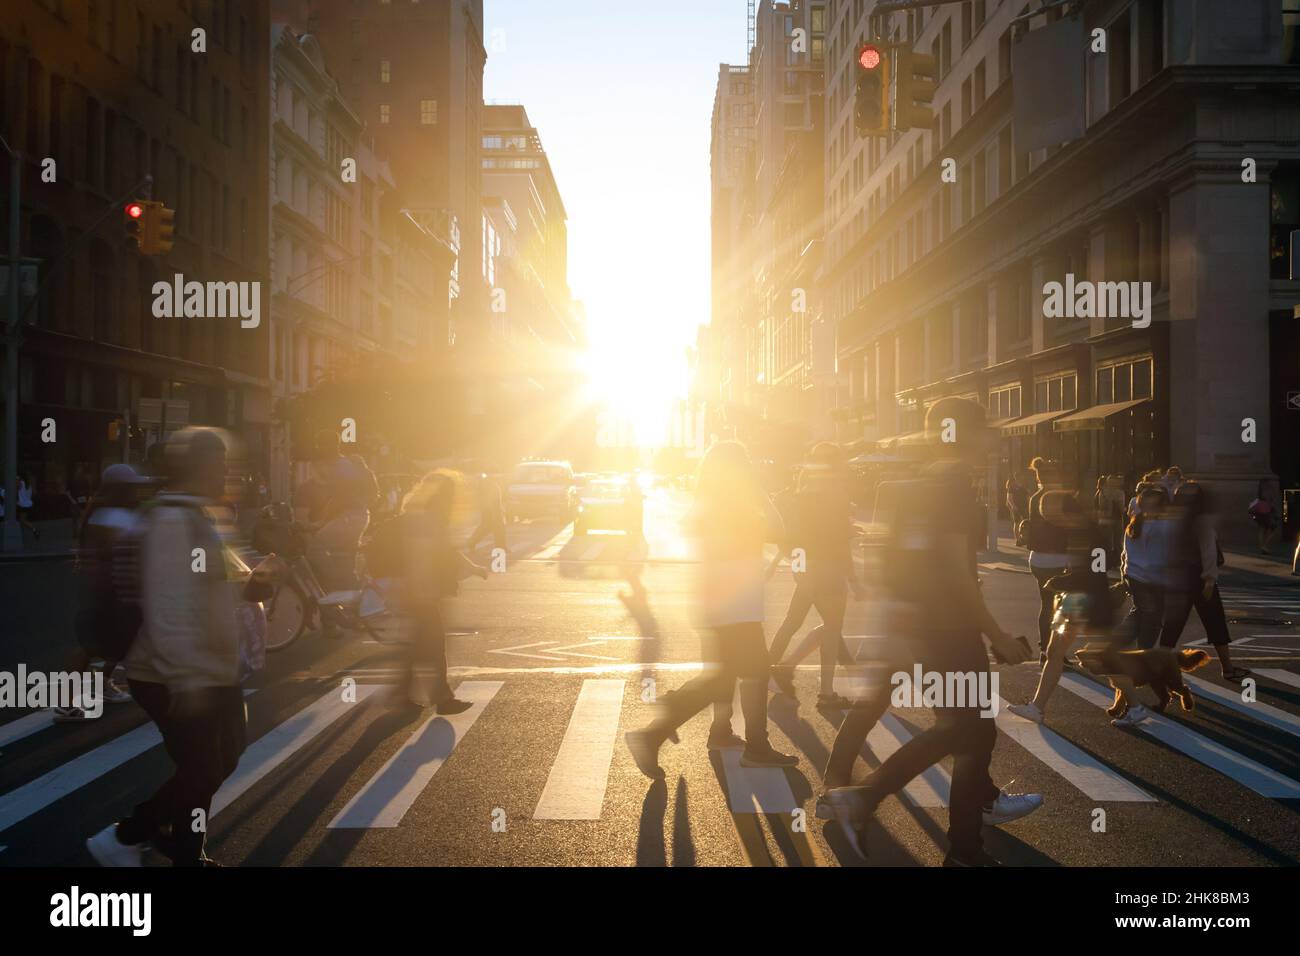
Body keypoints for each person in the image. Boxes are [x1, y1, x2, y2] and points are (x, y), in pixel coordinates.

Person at [819, 399, 1043, 866]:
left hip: (922, 626)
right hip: (951, 631)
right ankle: (871, 797)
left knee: (973, 734)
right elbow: (958, 574)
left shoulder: (920, 482)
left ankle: (963, 846)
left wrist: (899, 617)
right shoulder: (957, 488)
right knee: (962, 731)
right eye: (984, 431)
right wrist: (996, 634)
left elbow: (893, 555)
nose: (990, 441)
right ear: (968, 435)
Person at [87, 428, 247, 867]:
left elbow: (224, 576)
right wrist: (188, 680)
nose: (227, 472)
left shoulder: (203, 515)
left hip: (212, 668)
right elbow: (169, 607)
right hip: (172, 673)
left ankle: (184, 847)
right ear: (195, 468)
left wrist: (256, 583)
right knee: (204, 768)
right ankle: (126, 836)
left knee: (223, 757)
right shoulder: (173, 521)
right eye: (219, 464)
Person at [625, 441, 799, 773]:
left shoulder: (707, 502)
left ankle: (698, 728)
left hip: (716, 605)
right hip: (738, 607)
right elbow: (779, 529)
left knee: (725, 677)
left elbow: (692, 530)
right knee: (750, 673)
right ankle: (660, 731)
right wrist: (759, 490)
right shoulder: (742, 505)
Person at [767, 443, 865, 709]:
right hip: (829, 568)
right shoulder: (837, 495)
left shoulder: (803, 490)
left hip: (805, 565)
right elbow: (839, 543)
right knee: (832, 628)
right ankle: (823, 692)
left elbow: (797, 534)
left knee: (793, 621)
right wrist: (854, 580)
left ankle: (772, 669)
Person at [389, 471, 488, 713]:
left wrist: (473, 567)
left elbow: (445, 551)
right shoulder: (426, 519)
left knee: (421, 644)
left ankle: (402, 694)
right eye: (451, 496)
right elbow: (418, 556)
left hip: (415, 589)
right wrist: (421, 587)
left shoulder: (421, 515)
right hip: (420, 590)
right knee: (431, 644)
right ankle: (440, 698)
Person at [54, 464, 146, 721]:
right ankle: (66, 702)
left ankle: (97, 686)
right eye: (132, 487)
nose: (136, 491)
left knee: (104, 646)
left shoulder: (108, 513)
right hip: (112, 596)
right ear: (120, 488)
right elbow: (111, 559)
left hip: (114, 595)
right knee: (90, 647)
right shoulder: (109, 518)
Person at [1159, 481, 1250, 682]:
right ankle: (1227, 668)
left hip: (1178, 579)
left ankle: (1159, 667)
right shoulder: (1201, 520)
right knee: (1215, 623)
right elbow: (1208, 551)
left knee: (1172, 626)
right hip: (1200, 579)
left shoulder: (1172, 518)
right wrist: (1209, 578)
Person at [301, 429, 377, 593]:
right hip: (358, 516)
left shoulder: (339, 466)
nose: (319, 447)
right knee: (346, 560)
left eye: (320, 444)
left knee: (315, 548)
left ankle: (333, 585)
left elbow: (339, 498)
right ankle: (352, 595)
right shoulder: (344, 464)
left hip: (349, 517)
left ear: (329, 444)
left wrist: (320, 522)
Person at [1024, 458, 1073, 661]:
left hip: (1037, 559)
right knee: (1061, 608)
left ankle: (1045, 648)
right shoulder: (1061, 497)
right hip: (1058, 558)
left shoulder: (1035, 498)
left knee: (1046, 605)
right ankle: (1055, 652)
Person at [467, 473, 508, 556]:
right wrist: (495, 512)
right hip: (491, 509)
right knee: (493, 526)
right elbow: (492, 500)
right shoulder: (490, 485)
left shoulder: (491, 484)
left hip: (490, 509)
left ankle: (501, 547)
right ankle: (471, 542)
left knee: (490, 527)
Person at [1249, 478, 1280, 555]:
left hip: (1259, 512)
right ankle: (1264, 546)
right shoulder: (1268, 489)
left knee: (1262, 530)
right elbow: (1271, 500)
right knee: (1272, 529)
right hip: (1266, 512)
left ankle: (1262, 547)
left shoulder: (1260, 489)